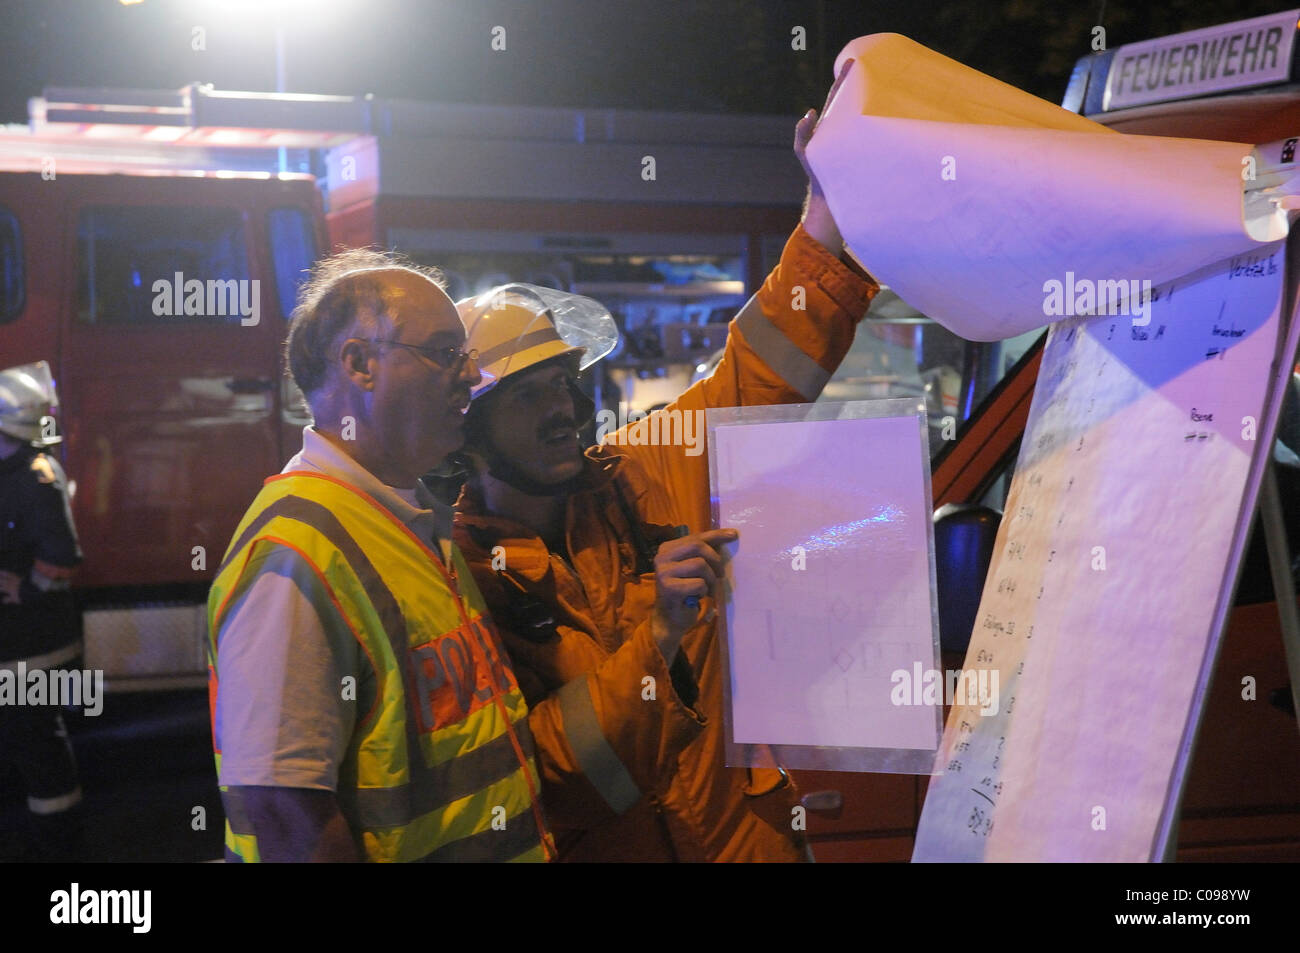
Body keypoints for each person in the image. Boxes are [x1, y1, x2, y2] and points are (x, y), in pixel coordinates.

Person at [446, 62, 880, 861]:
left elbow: (760, 373)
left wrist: (824, 215)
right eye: (526, 395)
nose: (559, 410)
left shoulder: (637, 471)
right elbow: (560, 782)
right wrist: (661, 635)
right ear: (468, 430)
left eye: (562, 384)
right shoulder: (456, 579)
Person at [207, 251, 555, 862]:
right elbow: (284, 817)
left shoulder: (408, 515)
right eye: (446, 352)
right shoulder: (294, 553)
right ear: (361, 365)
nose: (472, 376)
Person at [0, 361, 84, 861]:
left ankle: (60, 855)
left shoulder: (36, 477)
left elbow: (62, 560)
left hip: (36, 651)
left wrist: (25, 589)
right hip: (18, 646)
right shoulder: (17, 471)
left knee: (38, 748)